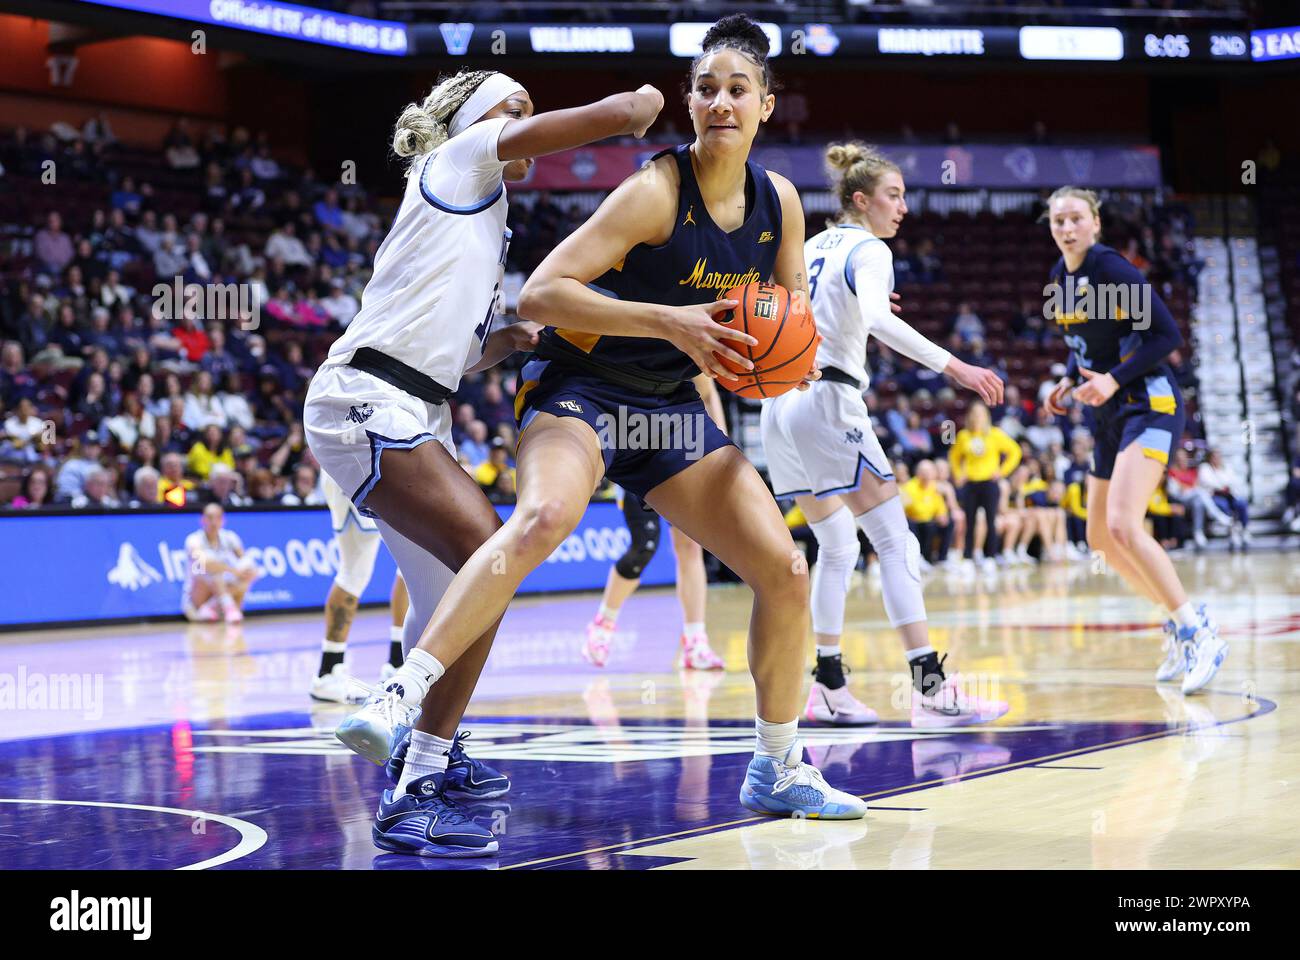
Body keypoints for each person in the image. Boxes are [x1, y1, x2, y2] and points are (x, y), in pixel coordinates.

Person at [349, 15, 867, 827]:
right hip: (582, 388)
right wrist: (675, 322)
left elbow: (788, 317)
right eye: (705, 90)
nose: (719, 102)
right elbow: (541, 295)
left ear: (768, 104)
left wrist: (777, 367)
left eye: (738, 89)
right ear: (691, 105)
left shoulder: (783, 203)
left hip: (667, 409)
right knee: (545, 515)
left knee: (786, 569)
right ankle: (400, 694)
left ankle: (777, 766)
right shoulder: (655, 190)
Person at [303, 66, 667, 857]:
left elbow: (440, 346)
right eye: (514, 107)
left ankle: (425, 752)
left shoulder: (482, 209)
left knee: (463, 591)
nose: (525, 121)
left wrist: (496, 343)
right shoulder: (462, 157)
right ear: (475, 118)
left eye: (528, 110)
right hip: (366, 397)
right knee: (490, 555)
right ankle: (416, 785)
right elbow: (583, 122)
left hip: (412, 400)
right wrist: (631, 109)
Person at [759, 142, 1008, 728]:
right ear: (861, 200)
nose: (903, 208)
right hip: (828, 402)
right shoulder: (870, 249)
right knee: (897, 543)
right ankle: (929, 690)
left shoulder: (812, 244)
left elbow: (794, 307)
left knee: (839, 548)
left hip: (779, 405)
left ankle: (829, 684)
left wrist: (855, 306)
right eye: (894, 196)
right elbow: (874, 318)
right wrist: (957, 366)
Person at [1041, 186, 1224, 694]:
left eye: (1076, 218)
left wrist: (1113, 380)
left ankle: (1197, 629)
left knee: (1124, 524)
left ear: (1095, 223)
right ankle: (1179, 621)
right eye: (1058, 221)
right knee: (1099, 538)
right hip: (1107, 412)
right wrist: (1065, 380)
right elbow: (1085, 348)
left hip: (1150, 402)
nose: (1067, 228)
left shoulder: (1112, 269)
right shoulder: (1059, 278)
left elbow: (1167, 337)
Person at [583, 374, 729, 671]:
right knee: (643, 547)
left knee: (690, 546)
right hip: (633, 451)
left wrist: (721, 449)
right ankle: (603, 625)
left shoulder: (683, 344)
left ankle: (695, 641)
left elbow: (709, 394)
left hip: (680, 447)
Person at [309, 469, 411, 704]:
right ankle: (328, 672)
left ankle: (398, 661)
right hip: (362, 468)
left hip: (376, 468)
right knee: (355, 572)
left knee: (411, 562)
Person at [949, 402, 1021, 575]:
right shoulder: (964, 435)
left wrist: (1002, 471)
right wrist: (959, 475)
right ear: (969, 417)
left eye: (981, 414)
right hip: (970, 484)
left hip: (989, 483)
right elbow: (953, 456)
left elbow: (1015, 451)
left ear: (987, 417)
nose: (977, 417)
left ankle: (991, 556)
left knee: (990, 521)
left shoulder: (995, 434)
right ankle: (968, 558)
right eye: (974, 414)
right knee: (970, 522)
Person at [182, 503, 259, 623]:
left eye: (218, 517)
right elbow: (204, 563)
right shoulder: (193, 540)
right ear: (202, 520)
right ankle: (216, 606)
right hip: (197, 601)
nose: (214, 522)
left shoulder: (230, 537)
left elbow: (246, 561)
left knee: (250, 571)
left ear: (223, 520)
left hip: (222, 600)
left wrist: (246, 571)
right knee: (214, 571)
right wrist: (233, 571)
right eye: (210, 517)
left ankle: (214, 606)